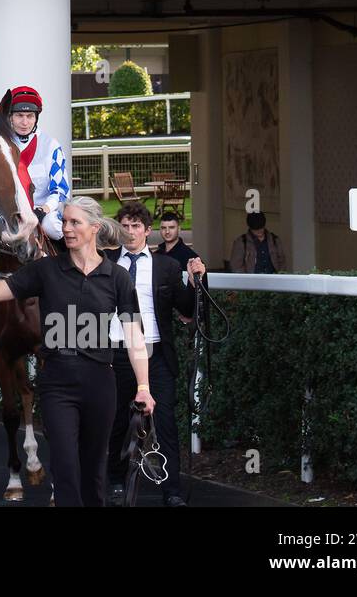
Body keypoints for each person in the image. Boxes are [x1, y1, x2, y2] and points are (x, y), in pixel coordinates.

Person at [0, 195, 151, 507]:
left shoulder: (117, 277)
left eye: (73, 222)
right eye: (64, 222)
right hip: (57, 382)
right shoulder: (45, 270)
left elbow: (134, 337)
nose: (65, 228)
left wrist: (143, 388)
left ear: (94, 228)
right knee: (66, 466)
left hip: (100, 382)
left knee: (95, 470)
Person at [107, 201, 207, 507]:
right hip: (118, 351)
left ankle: (172, 490)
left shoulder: (166, 266)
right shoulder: (106, 264)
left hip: (157, 352)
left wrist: (196, 280)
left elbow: (187, 309)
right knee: (118, 421)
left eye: (137, 226)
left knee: (164, 422)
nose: (131, 231)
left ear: (148, 231)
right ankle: (115, 481)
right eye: (125, 225)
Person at [0, 86, 70, 244]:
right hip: (10, 210)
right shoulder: (0, 145)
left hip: (42, 209)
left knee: (53, 228)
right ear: (10, 116)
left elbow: (61, 190)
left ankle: (67, 264)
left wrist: (44, 210)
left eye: (30, 116)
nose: (25, 122)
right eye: (19, 115)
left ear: (36, 117)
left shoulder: (51, 146)